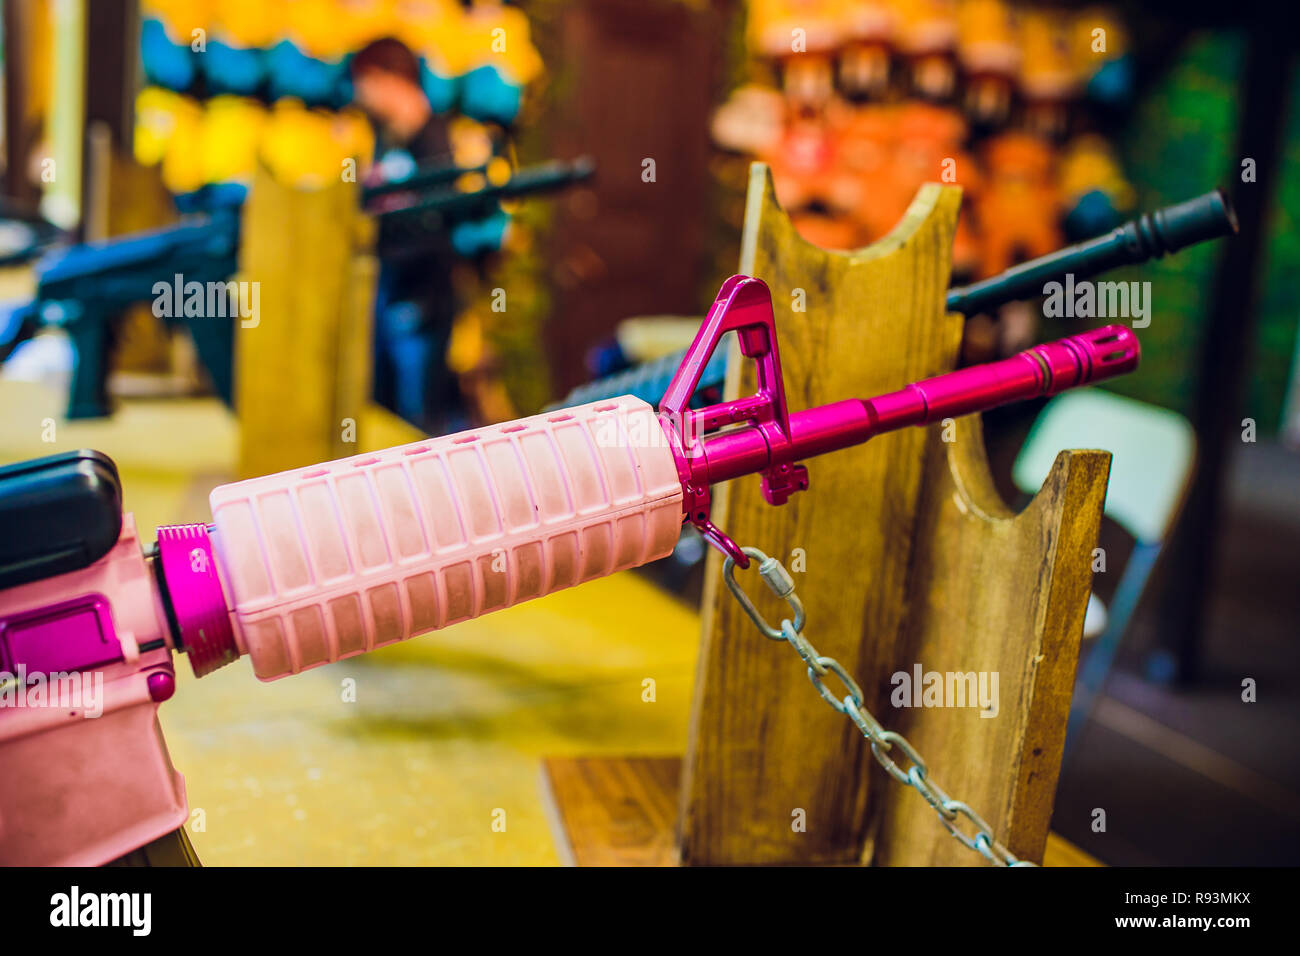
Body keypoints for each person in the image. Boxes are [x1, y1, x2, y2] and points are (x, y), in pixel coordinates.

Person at [350, 37, 462, 432]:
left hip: (420, 297)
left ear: (389, 79)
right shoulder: (386, 138)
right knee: (384, 414)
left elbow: (441, 223)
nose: (359, 95)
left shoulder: (434, 140)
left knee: (416, 425)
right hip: (389, 290)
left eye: (365, 81)